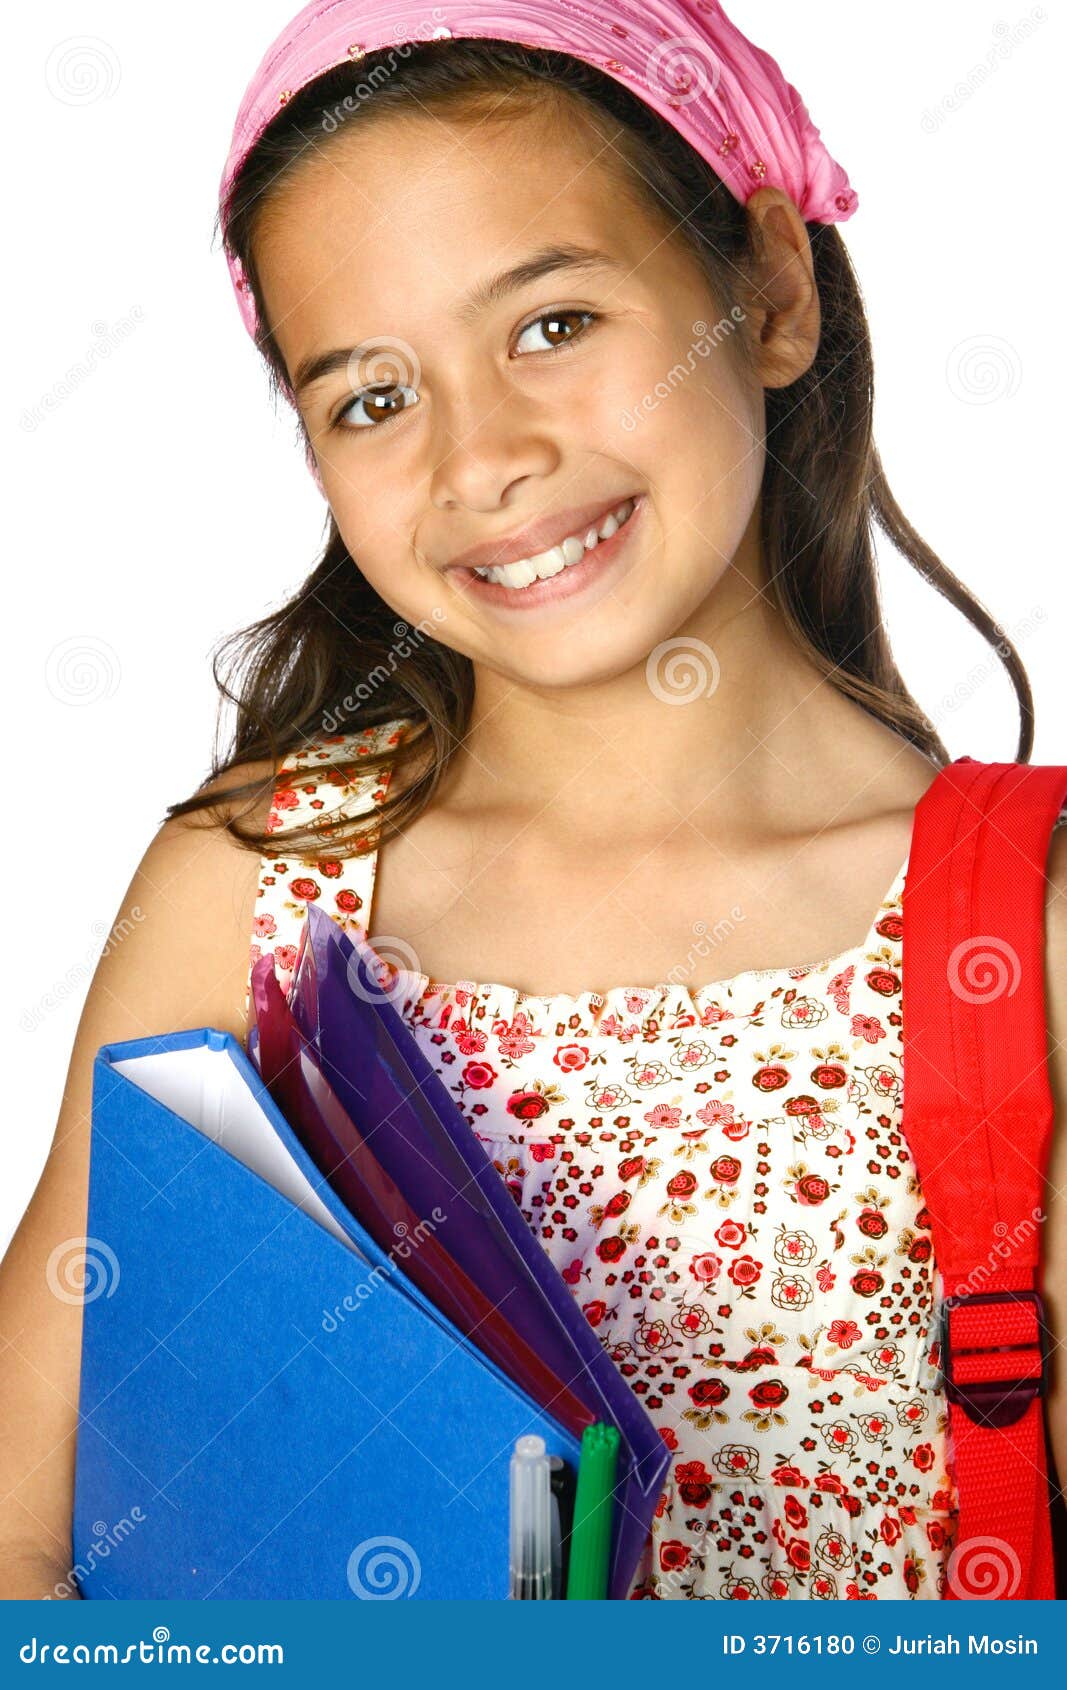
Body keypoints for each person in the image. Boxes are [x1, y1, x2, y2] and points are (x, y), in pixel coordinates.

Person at [2, 2, 1065, 1601]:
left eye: (555, 323)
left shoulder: (1021, 939)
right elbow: (20, 1532)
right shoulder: (258, 889)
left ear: (767, 292)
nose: (481, 454)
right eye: (371, 397)